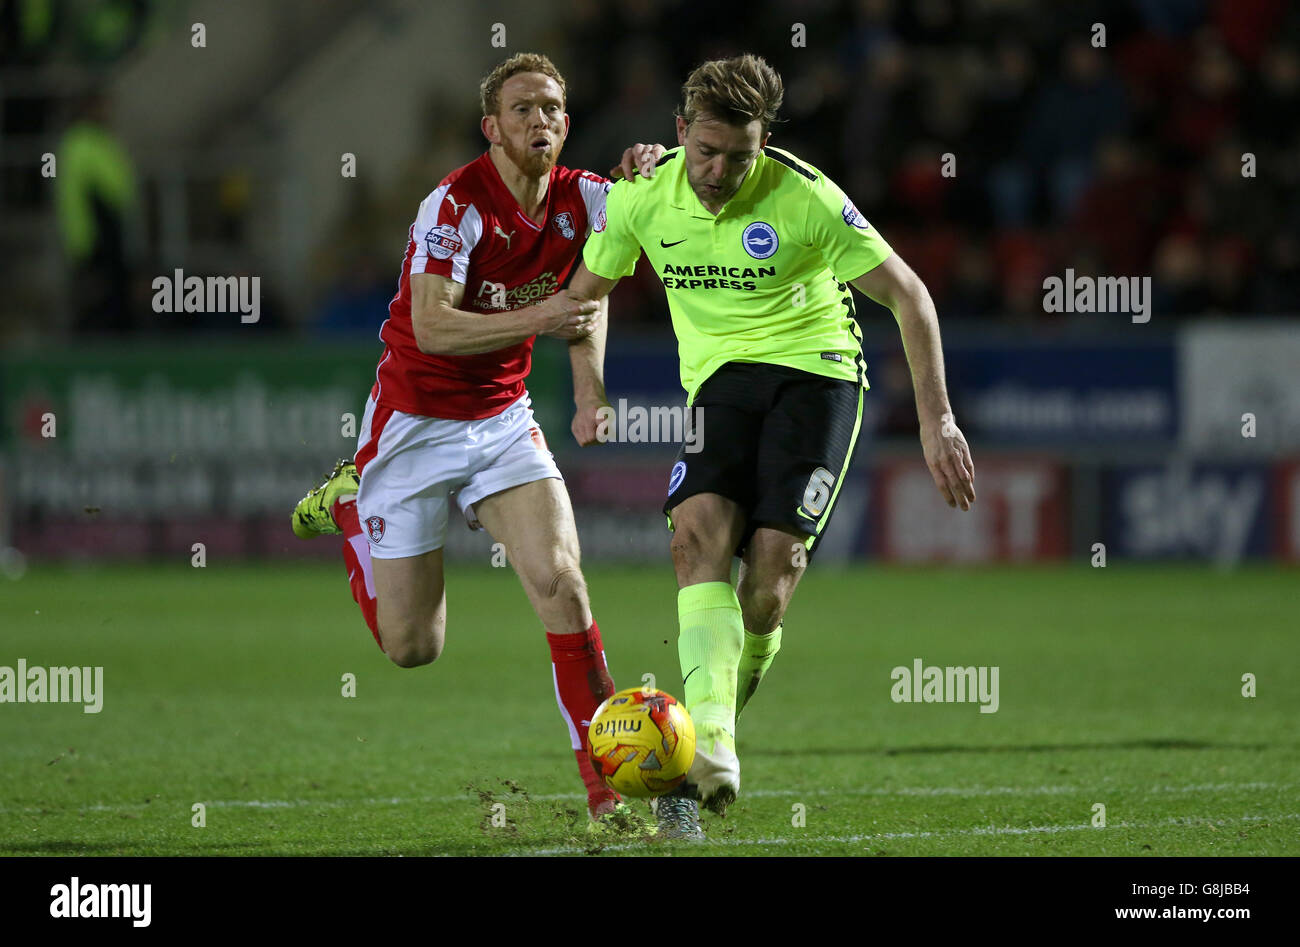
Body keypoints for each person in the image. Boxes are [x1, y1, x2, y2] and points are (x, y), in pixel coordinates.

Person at [566, 54, 977, 838]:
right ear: (680, 131)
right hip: (719, 384)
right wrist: (591, 393)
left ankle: (701, 734)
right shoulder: (641, 198)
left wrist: (937, 420)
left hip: (817, 373)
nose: (720, 171)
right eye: (708, 151)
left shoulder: (805, 195)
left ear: (764, 144)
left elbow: (909, 296)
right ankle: (706, 748)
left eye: (740, 156)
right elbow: (585, 298)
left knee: (771, 579)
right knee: (696, 542)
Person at [291, 53, 646, 829]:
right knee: (413, 646)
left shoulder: (588, 198)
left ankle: (607, 794)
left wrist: (589, 389)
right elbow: (433, 324)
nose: (539, 120)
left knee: (563, 583)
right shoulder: (453, 205)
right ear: (492, 127)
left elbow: (598, 287)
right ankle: (352, 505)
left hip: (502, 422)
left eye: (552, 107)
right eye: (522, 109)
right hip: (413, 425)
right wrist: (540, 318)